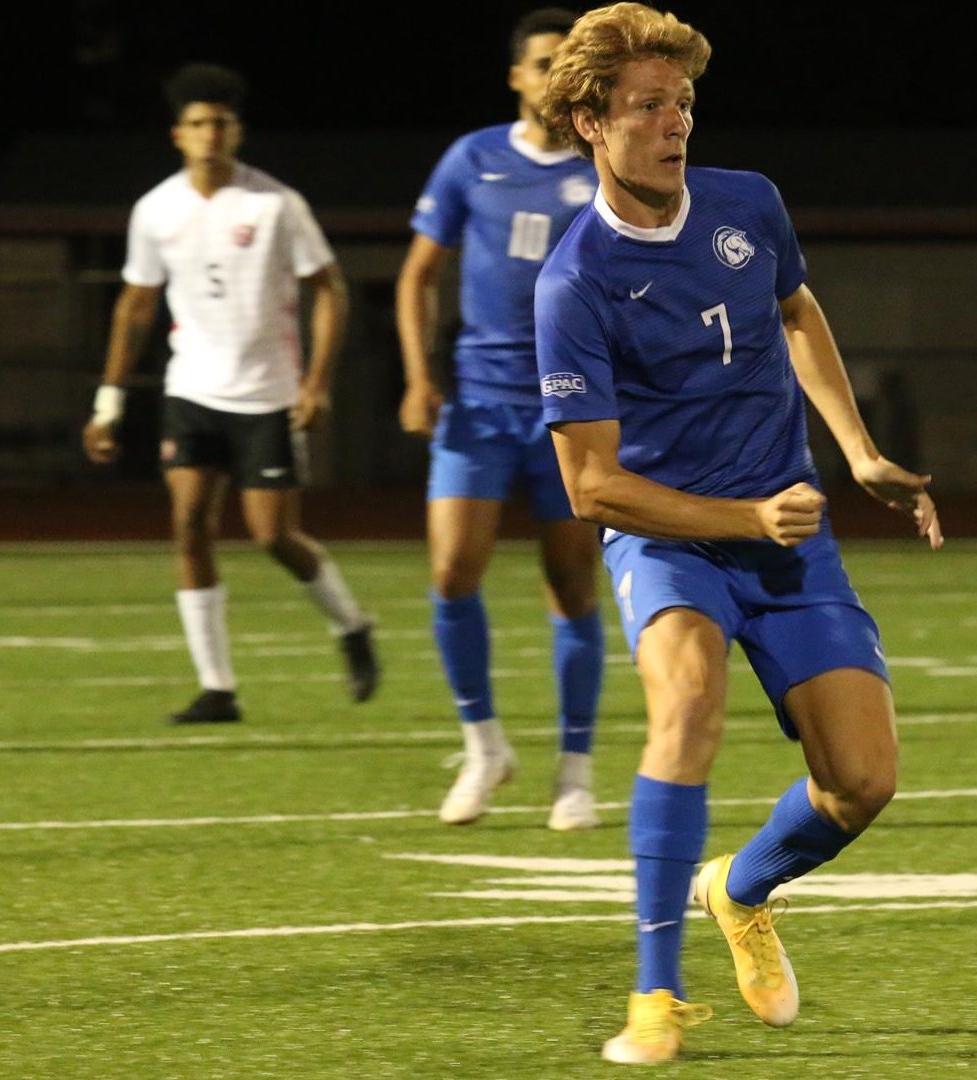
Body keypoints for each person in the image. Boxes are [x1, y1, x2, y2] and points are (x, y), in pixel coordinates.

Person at [533, 3, 943, 1063]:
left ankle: (741, 888)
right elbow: (591, 487)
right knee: (687, 704)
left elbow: (795, 311)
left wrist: (856, 452)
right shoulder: (574, 282)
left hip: (786, 535)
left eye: (682, 103)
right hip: (668, 538)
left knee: (863, 782)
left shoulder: (746, 203)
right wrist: (740, 518)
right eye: (646, 107)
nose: (674, 124)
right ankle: (655, 996)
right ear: (589, 122)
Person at [84, 64, 379, 724]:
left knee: (273, 535)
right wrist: (108, 402)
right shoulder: (156, 210)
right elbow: (136, 304)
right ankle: (217, 687)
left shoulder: (274, 204)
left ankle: (351, 624)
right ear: (178, 134)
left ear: (236, 131)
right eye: (197, 124)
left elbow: (329, 288)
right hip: (190, 391)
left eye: (220, 123)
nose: (209, 134)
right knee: (189, 526)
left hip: (267, 396)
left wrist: (316, 383)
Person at [397, 8, 608, 831]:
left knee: (572, 582)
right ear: (517, 76)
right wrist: (419, 376)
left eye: (567, 63)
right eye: (542, 63)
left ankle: (575, 771)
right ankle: (483, 746)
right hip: (479, 402)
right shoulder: (472, 158)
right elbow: (417, 275)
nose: (554, 75)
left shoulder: (603, 162)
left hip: (571, 406)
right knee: (453, 572)